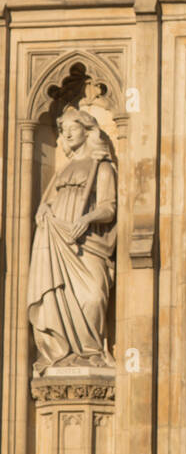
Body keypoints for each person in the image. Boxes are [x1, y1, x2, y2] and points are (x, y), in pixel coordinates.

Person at [28, 108, 117, 373]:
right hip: (58, 241)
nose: (67, 132)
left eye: (73, 127)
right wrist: (44, 210)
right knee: (56, 297)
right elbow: (50, 201)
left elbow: (109, 207)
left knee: (92, 298)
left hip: (86, 243)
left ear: (87, 130)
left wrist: (87, 219)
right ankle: (61, 353)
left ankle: (91, 353)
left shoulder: (101, 166)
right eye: (63, 128)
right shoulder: (64, 170)